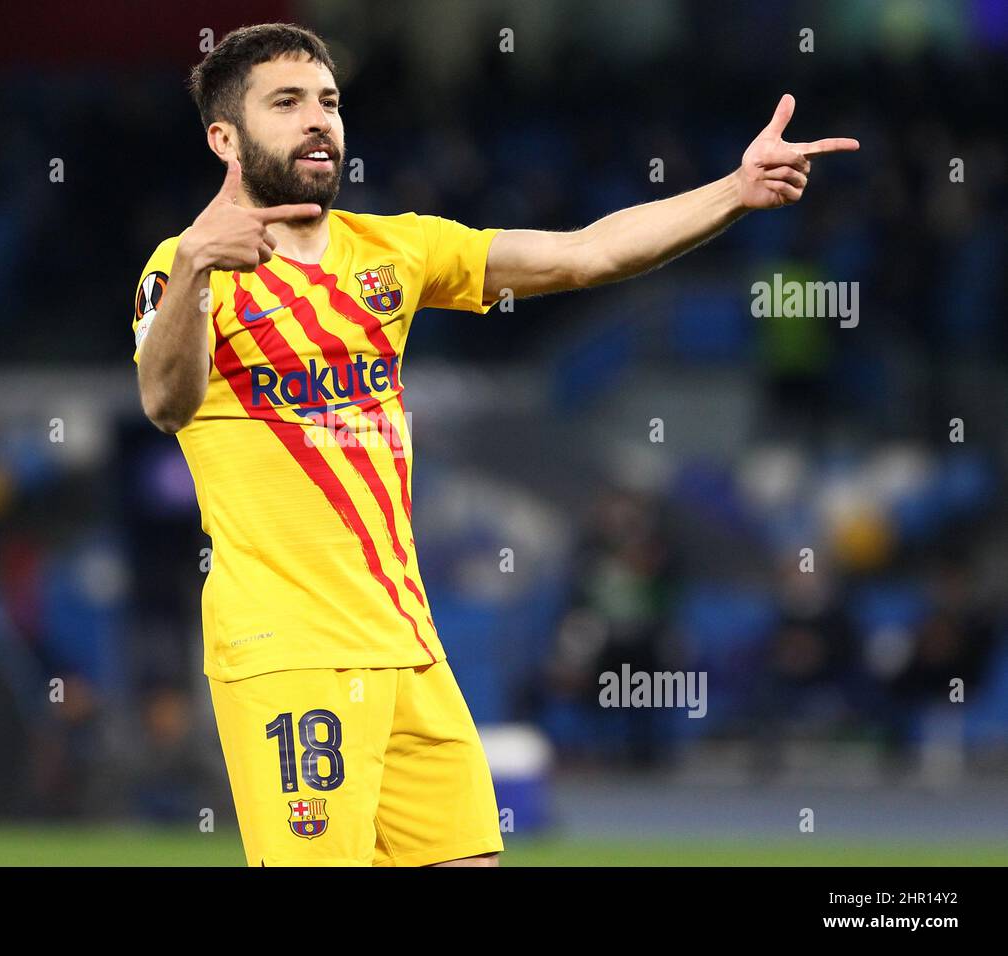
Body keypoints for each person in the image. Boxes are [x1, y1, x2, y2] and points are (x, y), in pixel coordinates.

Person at [131, 22, 858, 866]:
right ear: (226, 136)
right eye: (286, 104)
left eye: (327, 101)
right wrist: (191, 269)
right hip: (289, 653)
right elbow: (164, 400)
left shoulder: (394, 249)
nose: (317, 120)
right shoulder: (179, 270)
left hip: (408, 646)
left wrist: (732, 190)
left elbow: (584, 254)